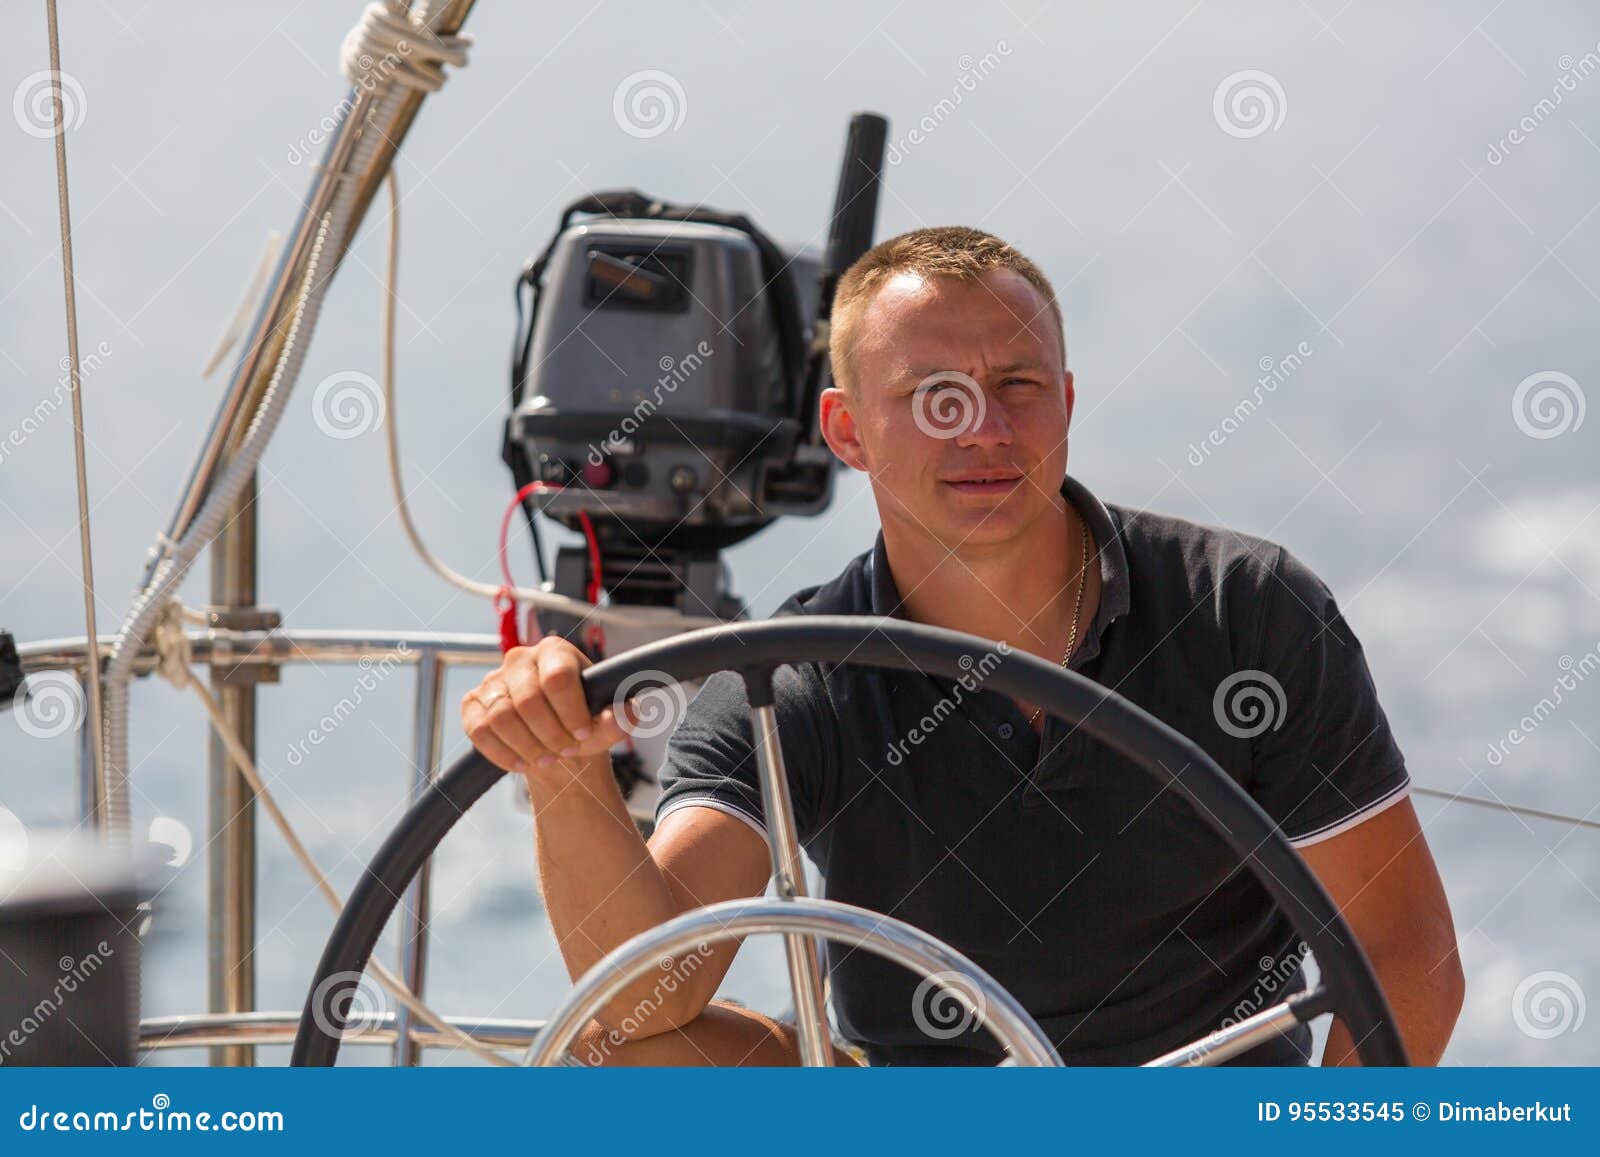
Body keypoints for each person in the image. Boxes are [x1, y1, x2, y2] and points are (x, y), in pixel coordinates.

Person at [461, 227, 1464, 1067]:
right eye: (932, 393)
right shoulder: (788, 682)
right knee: (621, 1055)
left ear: (1066, 402)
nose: (981, 427)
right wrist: (562, 764)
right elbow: (638, 1006)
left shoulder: (1245, 609)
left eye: (1016, 383)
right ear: (847, 431)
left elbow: (1405, 952)